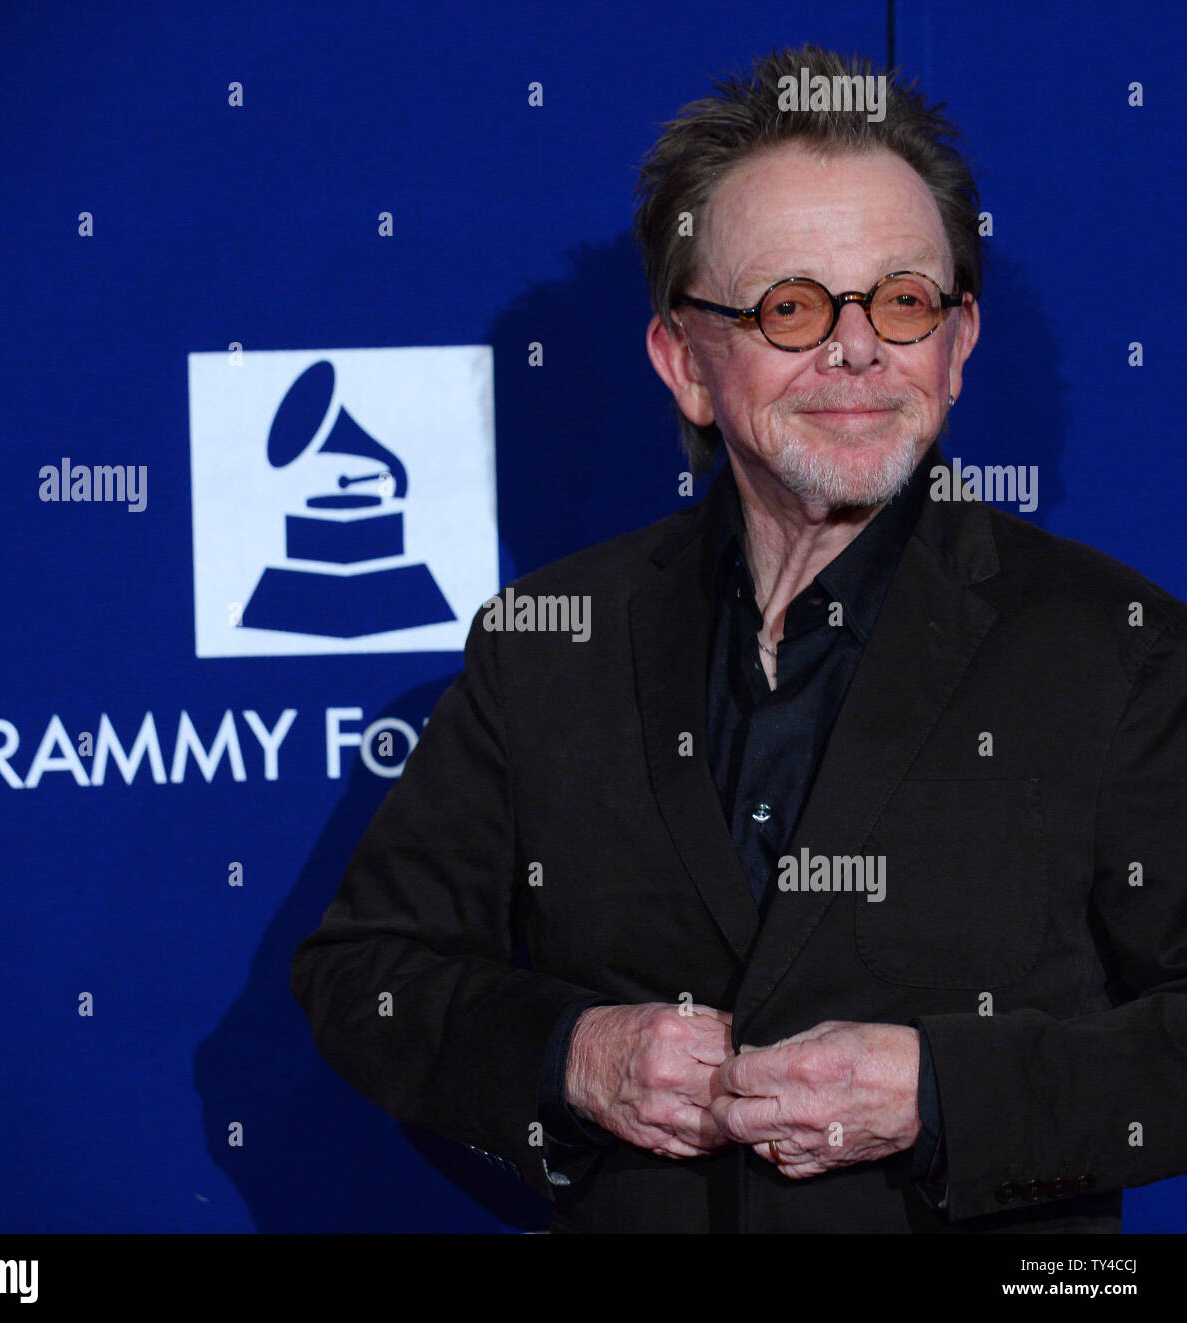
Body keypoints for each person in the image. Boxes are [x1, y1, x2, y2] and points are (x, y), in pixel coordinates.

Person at [290, 44, 1187, 1232]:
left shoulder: (1115, 649)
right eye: (792, 307)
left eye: (904, 300)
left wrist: (944, 1094)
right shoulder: (552, 640)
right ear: (686, 365)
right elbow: (366, 977)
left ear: (958, 348)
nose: (857, 348)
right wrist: (573, 1054)